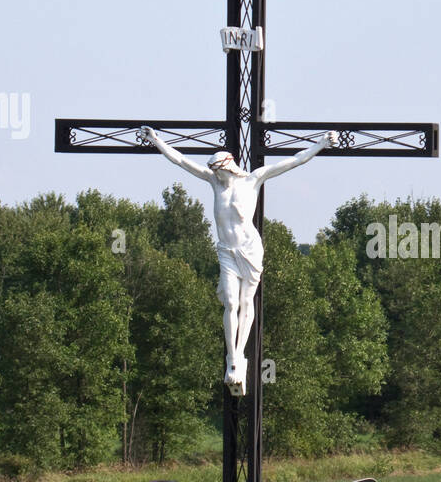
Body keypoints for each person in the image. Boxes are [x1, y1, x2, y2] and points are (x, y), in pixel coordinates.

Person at [138, 125, 337, 392]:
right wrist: (156, 140)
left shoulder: (253, 180)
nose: (216, 175)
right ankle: (232, 359)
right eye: (214, 172)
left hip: (249, 249)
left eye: (218, 171)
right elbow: (182, 161)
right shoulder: (214, 182)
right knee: (231, 302)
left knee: (245, 301)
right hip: (226, 250)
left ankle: (239, 353)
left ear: (228, 168)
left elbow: (294, 161)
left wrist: (321, 144)